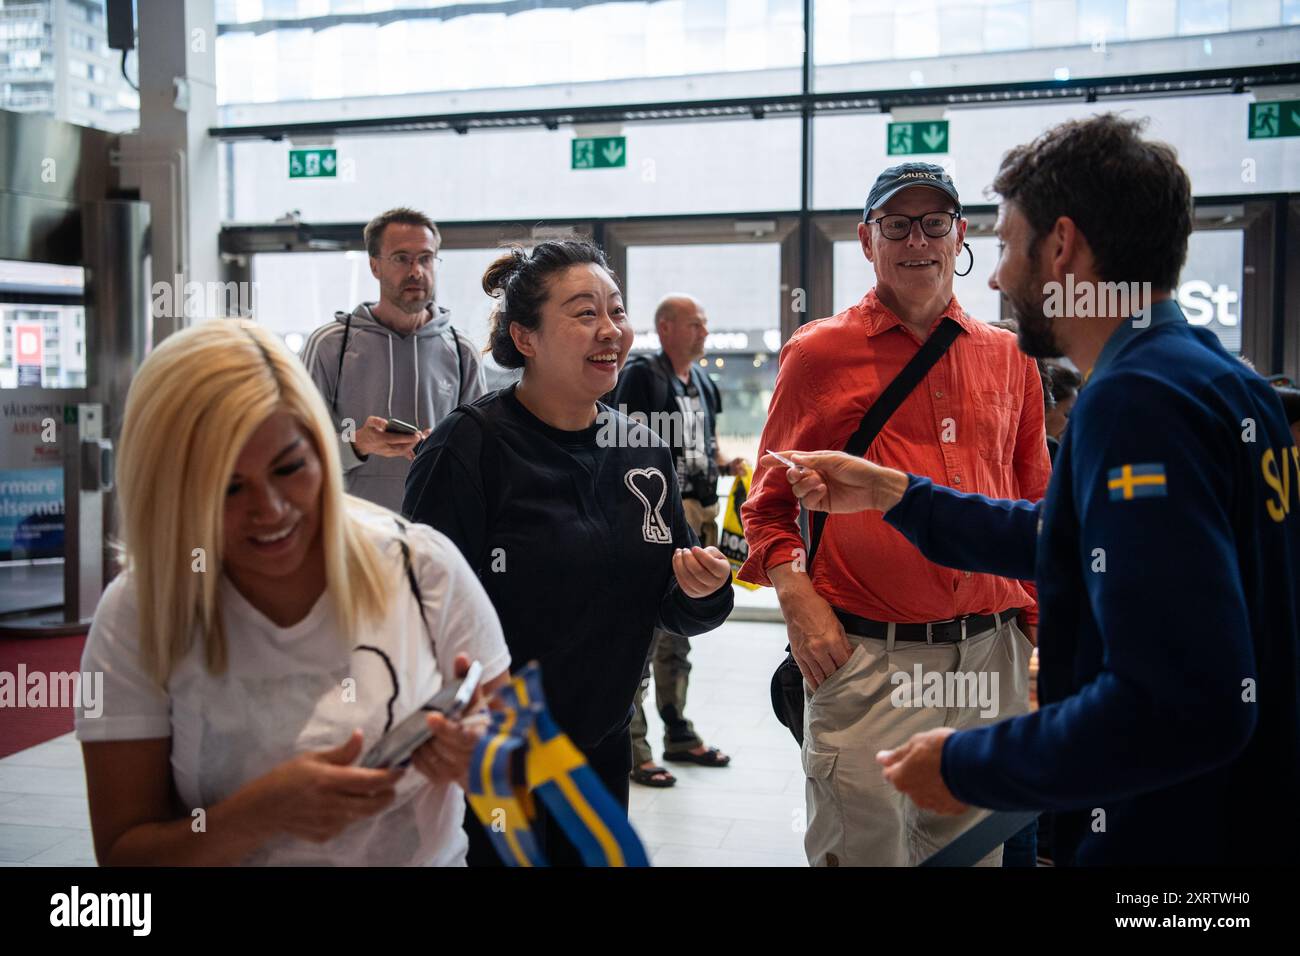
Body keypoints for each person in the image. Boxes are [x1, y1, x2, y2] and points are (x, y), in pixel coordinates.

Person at [765, 114, 1300, 865]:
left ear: (1062, 247)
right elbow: (1062, 535)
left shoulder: (1136, 402)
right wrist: (897, 495)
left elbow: (1183, 699)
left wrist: (974, 761)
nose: (996, 276)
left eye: (1007, 244)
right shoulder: (1231, 388)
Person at [75, 320, 511, 866]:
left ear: (322, 452)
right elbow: (123, 855)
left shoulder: (423, 567)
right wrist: (257, 816)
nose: (271, 509)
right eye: (229, 487)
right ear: (172, 490)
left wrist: (481, 760)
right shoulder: (140, 610)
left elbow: (516, 774)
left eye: (290, 468)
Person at [738, 161, 1051, 867]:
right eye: (897, 224)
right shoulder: (819, 353)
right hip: (868, 657)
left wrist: (1038, 633)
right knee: (863, 851)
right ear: (866, 239)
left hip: (992, 657)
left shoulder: (1011, 356)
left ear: (960, 236)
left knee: (972, 855)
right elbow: (768, 505)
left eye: (934, 223)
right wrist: (797, 600)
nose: (918, 240)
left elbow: (1037, 509)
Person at [402, 239, 735, 865]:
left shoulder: (641, 449)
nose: (610, 330)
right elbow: (415, 616)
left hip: (600, 747)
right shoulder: (469, 448)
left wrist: (704, 589)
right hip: (494, 757)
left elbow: (668, 599)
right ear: (525, 337)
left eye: (616, 310)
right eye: (584, 313)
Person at [614, 294, 745, 787]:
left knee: (680, 632)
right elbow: (623, 442)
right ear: (665, 327)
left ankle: (679, 731)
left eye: (705, 324)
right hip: (658, 513)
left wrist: (724, 463)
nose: (704, 333)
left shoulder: (703, 382)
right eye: (695, 324)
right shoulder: (641, 376)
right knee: (645, 635)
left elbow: (703, 443)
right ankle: (634, 746)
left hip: (702, 511)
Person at [302, 207, 486, 512]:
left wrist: (445, 447)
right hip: (354, 527)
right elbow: (298, 451)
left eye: (426, 258)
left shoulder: (461, 350)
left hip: (436, 527)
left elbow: (481, 454)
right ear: (374, 266)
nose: (416, 271)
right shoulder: (330, 346)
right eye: (402, 258)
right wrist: (357, 443)